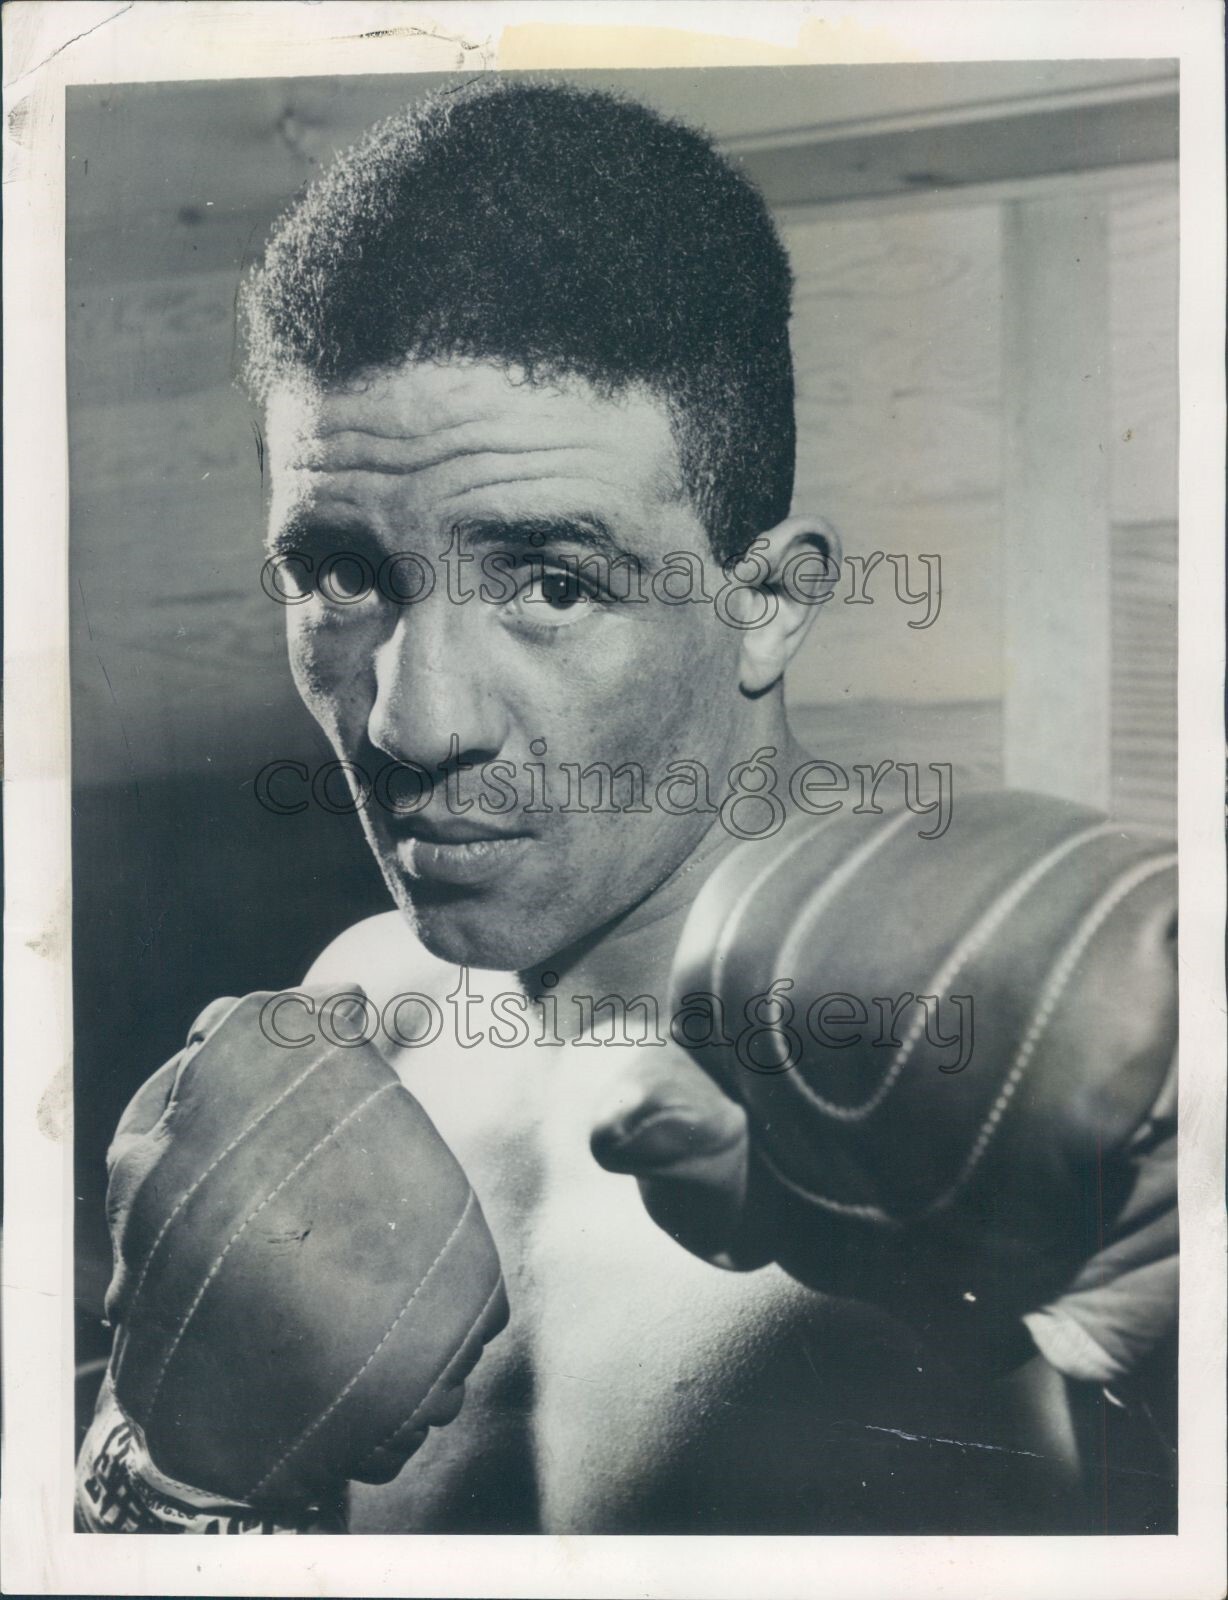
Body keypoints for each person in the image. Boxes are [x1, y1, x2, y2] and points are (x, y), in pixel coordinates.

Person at [76, 78, 1178, 1536]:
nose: (411, 721)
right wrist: (167, 1477)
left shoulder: (1010, 1073)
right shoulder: (353, 1013)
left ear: (771, 604)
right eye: (342, 573)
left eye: (552, 582)